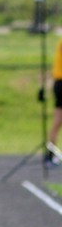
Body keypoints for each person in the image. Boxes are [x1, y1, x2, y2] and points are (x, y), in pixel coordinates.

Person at [46, 38, 62, 167]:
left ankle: (50, 153)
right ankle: (51, 153)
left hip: (58, 83)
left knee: (57, 120)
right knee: (57, 120)